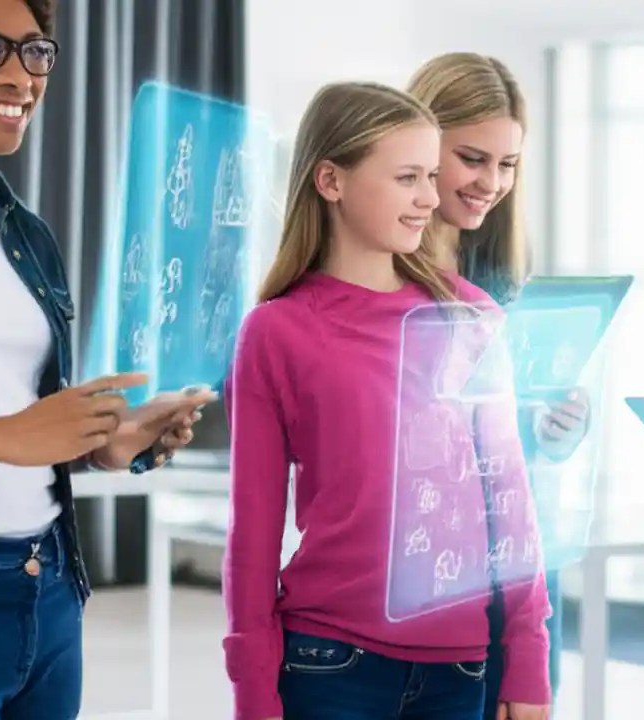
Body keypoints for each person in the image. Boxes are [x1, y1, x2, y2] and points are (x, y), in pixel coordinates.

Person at [222, 81, 552, 720]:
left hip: (461, 665)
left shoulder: (472, 317)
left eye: (432, 175)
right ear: (331, 181)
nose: (432, 198)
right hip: (328, 662)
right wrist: (252, 694)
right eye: (408, 177)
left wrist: (528, 655)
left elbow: (510, 504)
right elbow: (252, 533)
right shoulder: (275, 330)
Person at [0, 0, 212, 717]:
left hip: (46, 577)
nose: (21, 76)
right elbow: (8, 429)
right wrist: (10, 434)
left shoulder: (25, 234)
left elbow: (21, 425)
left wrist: (101, 443)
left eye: (36, 52)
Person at [406, 51, 590, 719]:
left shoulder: (505, 274)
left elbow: (516, 449)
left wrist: (559, 427)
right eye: (473, 159)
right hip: (423, 566)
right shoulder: (375, 268)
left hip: (515, 566)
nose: (491, 182)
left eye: (507, 164)